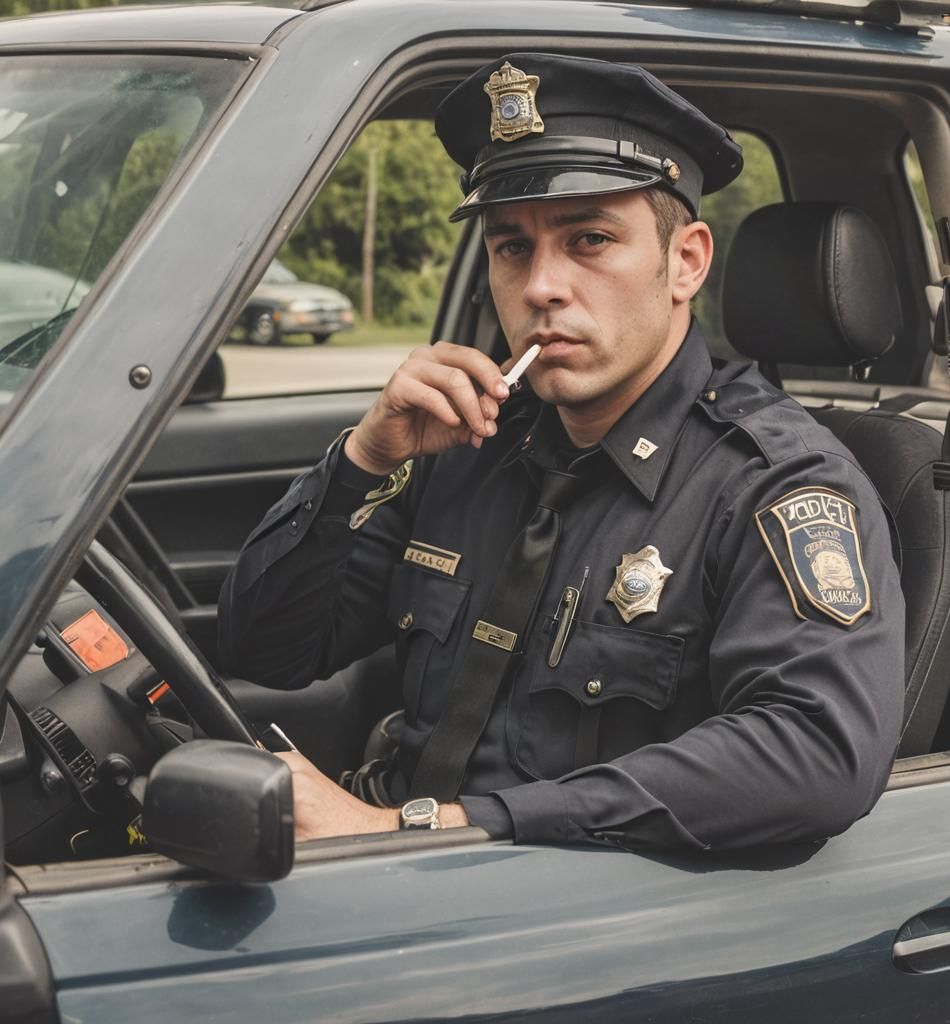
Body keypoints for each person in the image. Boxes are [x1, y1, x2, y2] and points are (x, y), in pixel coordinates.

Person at [218, 53, 905, 851]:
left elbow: (816, 752)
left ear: (684, 263)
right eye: (512, 248)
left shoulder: (773, 484)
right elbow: (265, 651)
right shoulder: (465, 443)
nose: (542, 285)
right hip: (389, 870)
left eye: (589, 239)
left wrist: (433, 827)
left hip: (562, 918)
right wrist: (364, 459)